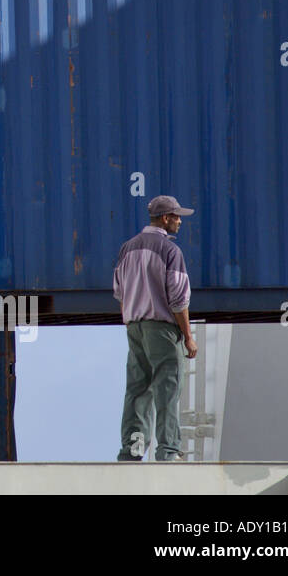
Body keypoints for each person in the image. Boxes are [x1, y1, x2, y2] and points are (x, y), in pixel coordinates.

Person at [112, 194, 198, 462]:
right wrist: (188, 337)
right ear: (165, 218)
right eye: (176, 217)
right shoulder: (170, 251)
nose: (179, 222)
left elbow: (119, 291)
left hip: (134, 327)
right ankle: (169, 449)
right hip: (161, 328)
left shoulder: (128, 248)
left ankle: (133, 448)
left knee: (138, 388)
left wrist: (132, 319)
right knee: (167, 388)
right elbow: (178, 299)